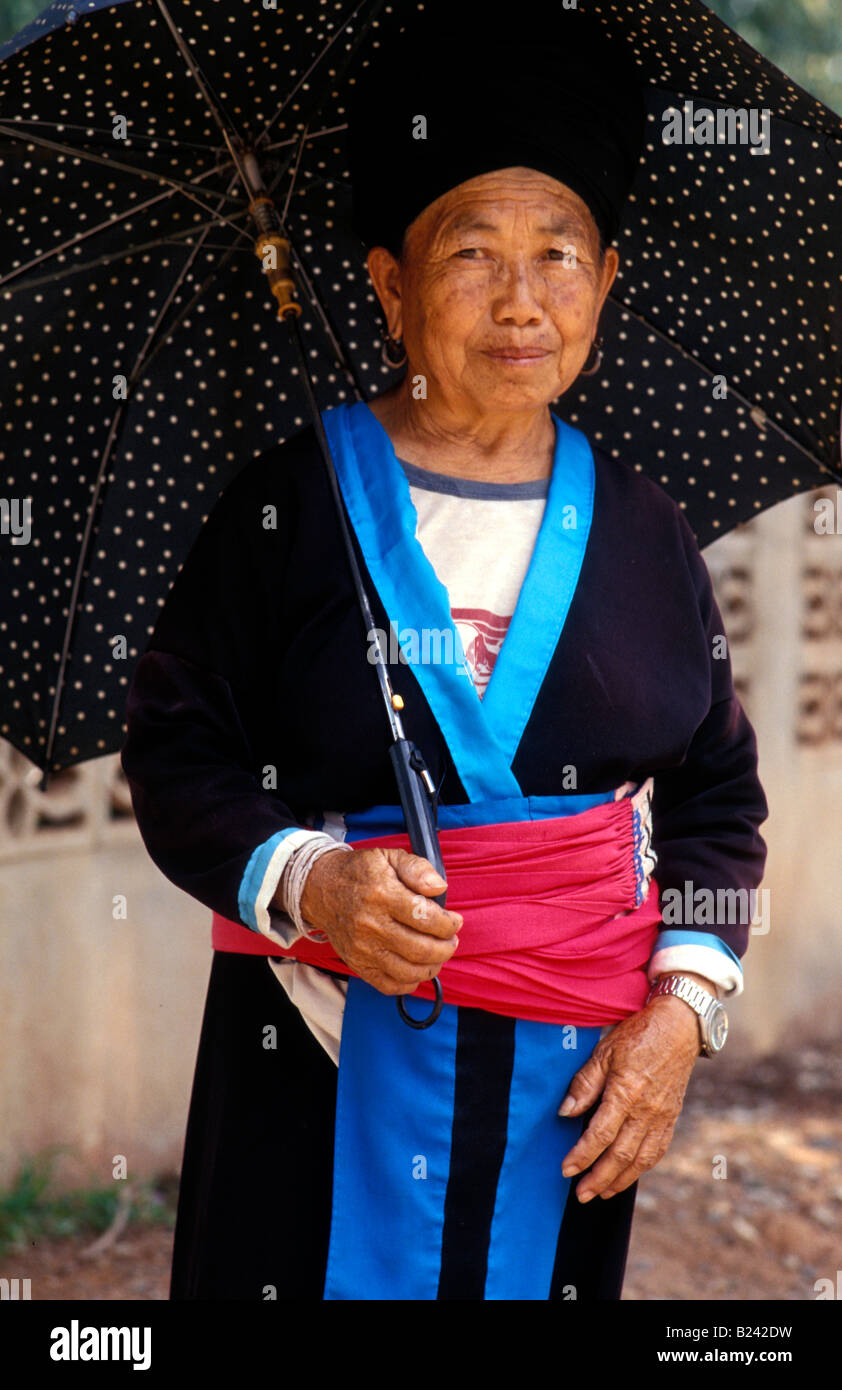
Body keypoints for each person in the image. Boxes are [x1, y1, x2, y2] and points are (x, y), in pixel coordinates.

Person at [120, 12, 768, 1301]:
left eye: (558, 254)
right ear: (387, 284)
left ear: (607, 278)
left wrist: (684, 1014)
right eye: (471, 253)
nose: (522, 300)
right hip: (313, 1054)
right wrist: (313, 884)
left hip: (573, 1085)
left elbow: (717, 795)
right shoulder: (291, 507)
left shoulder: (643, 528)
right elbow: (179, 749)